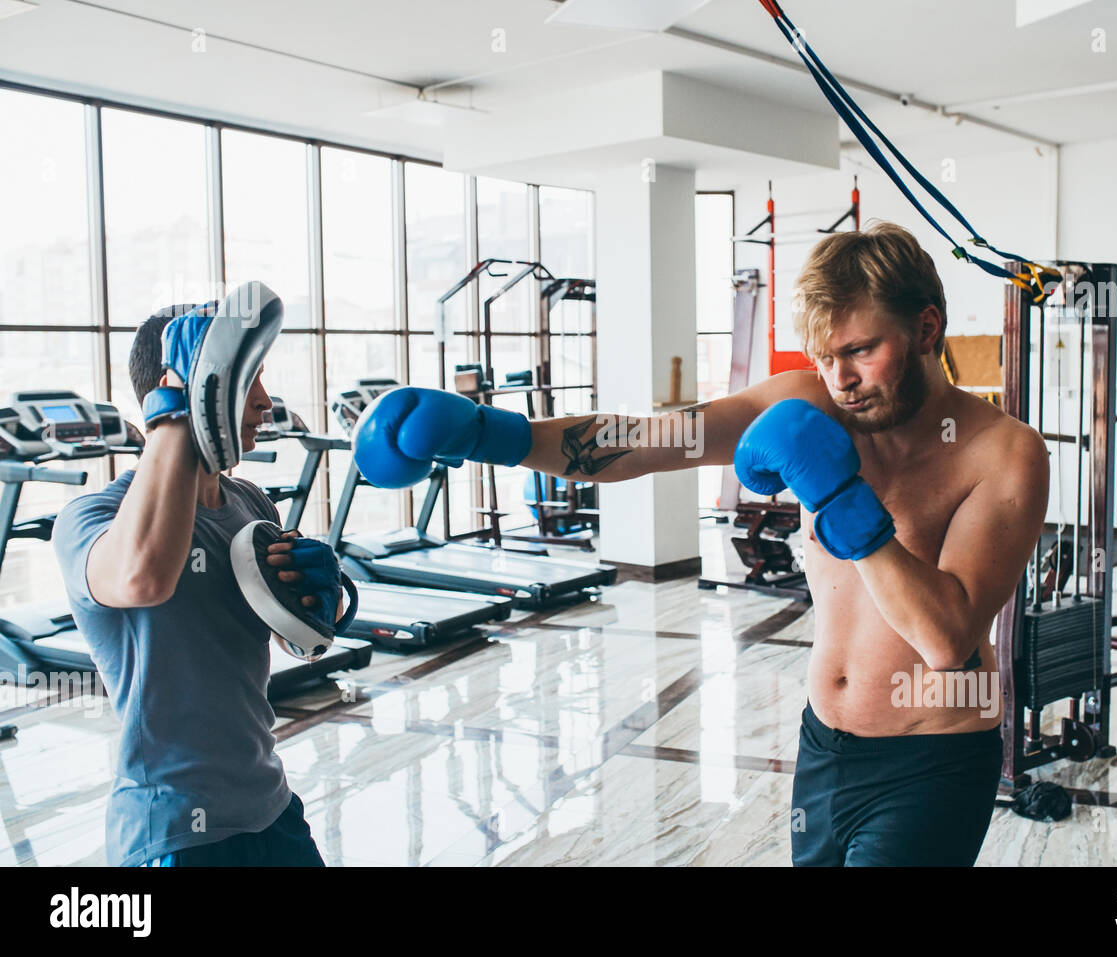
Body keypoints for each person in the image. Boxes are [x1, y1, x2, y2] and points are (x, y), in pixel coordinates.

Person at [352, 221, 1049, 867]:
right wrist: (490, 435)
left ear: (927, 328)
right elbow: (643, 442)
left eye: (862, 350)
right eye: (825, 356)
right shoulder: (806, 401)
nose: (841, 378)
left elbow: (946, 635)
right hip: (823, 746)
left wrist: (839, 499)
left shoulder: (1003, 454)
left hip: (932, 759)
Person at [53, 290, 349, 867]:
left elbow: (296, 640)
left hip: (270, 803)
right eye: (247, 382)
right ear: (194, 386)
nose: (265, 402)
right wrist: (175, 409)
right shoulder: (91, 518)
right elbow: (141, 579)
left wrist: (322, 602)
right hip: (176, 830)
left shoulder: (249, 501)